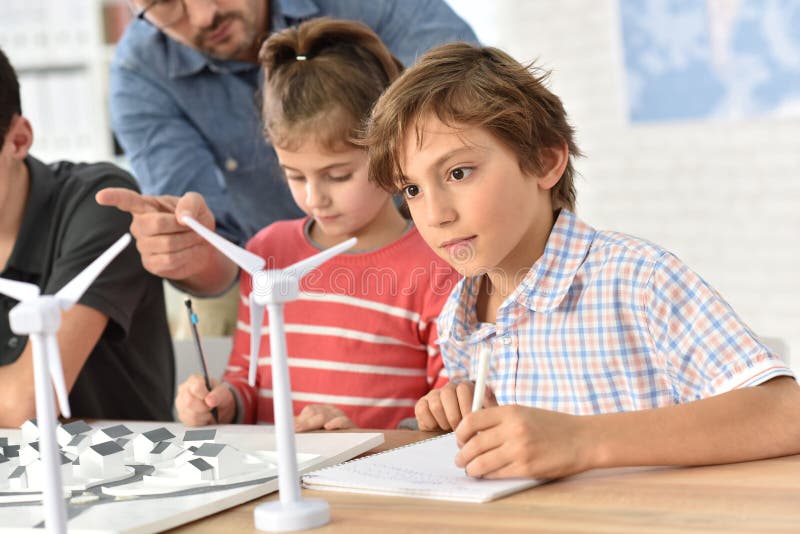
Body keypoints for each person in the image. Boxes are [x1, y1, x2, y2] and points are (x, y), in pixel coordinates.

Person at [364, 42, 800, 479]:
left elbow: (786, 413)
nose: (436, 215)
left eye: (458, 173)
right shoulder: (460, 314)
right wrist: (454, 405)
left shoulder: (638, 280)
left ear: (545, 162)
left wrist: (581, 440)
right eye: (412, 191)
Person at [101, 19, 460, 430]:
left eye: (338, 175)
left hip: (375, 485)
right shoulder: (266, 252)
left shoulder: (436, 266)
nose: (315, 197)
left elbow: (445, 415)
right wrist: (224, 402)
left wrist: (362, 438)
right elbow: (248, 377)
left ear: (391, 152)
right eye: (295, 175)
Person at [113, 0, 478, 246]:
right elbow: (212, 245)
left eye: (338, 174)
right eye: (163, 1)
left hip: (426, 233)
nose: (205, 14)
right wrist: (186, 251)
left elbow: (466, 105)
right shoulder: (138, 73)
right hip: (259, 267)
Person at [0, 49, 174, 426]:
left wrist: (16, 394)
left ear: (18, 140)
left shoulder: (101, 203)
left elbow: (26, 404)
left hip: (129, 474)